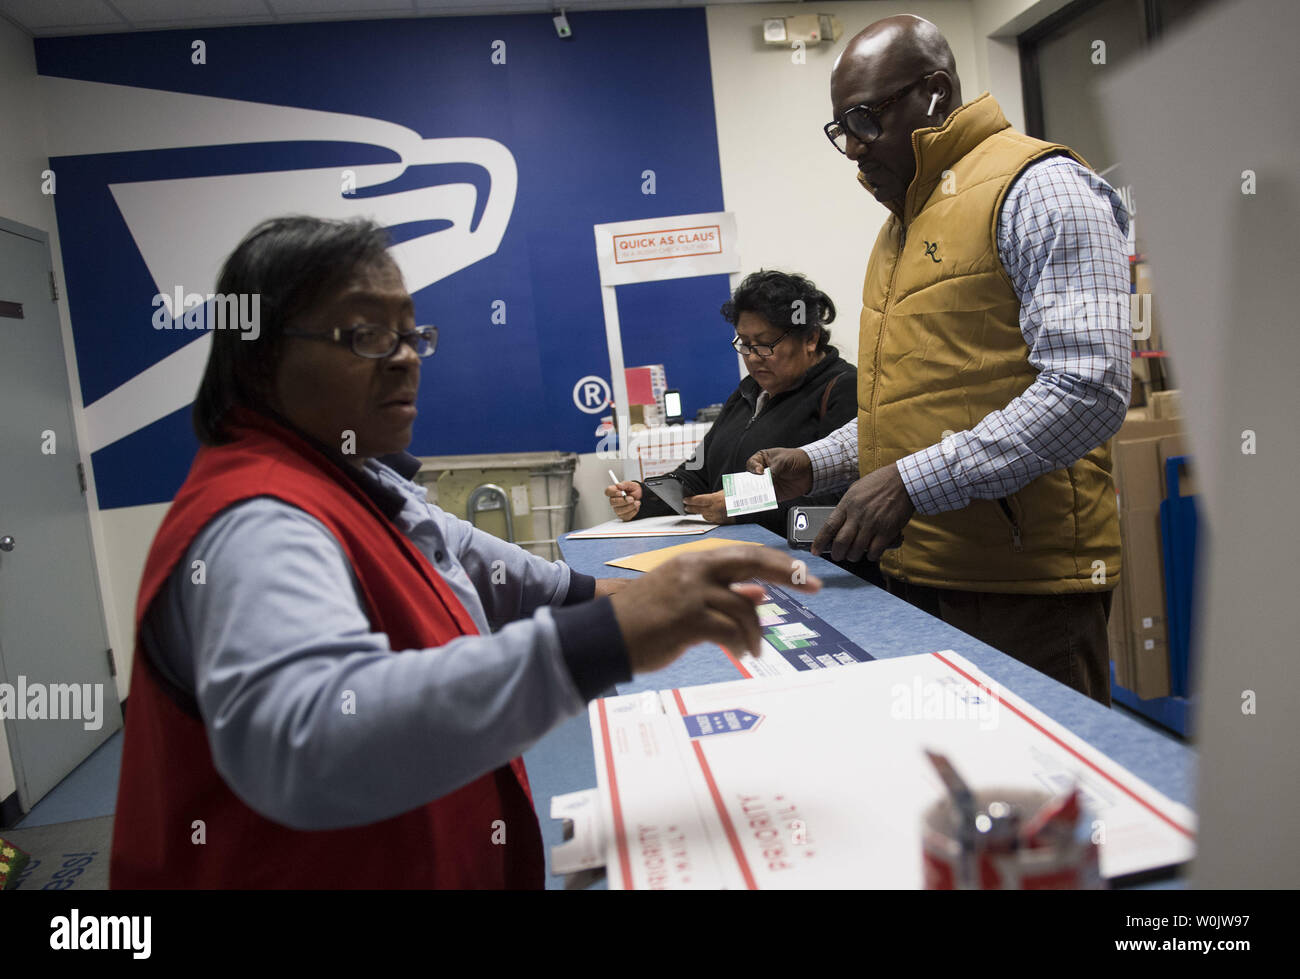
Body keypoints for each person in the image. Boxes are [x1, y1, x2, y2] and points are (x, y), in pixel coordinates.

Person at [110, 215, 819, 889]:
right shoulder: (261, 519)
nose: (401, 360)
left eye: (409, 334)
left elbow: (507, 574)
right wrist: (609, 636)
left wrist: (659, 595)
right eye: (364, 335)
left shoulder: (358, 480)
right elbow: (318, 738)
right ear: (261, 355)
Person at [749, 15, 1130, 706]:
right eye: (842, 129)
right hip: (921, 576)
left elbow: (1088, 389)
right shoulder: (899, 231)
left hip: (1025, 590)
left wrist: (913, 484)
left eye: (864, 119)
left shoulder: (1041, 187)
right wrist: (817, 462)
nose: (853, 150)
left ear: (934, 92)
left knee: (1049, 801)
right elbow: (912, 411)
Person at [605, 270, 858, 538]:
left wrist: (741, 509)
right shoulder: (749, 391)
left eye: (764, 344)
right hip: (740, 560)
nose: (752, 357)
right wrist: (646, 495)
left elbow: (837, 510)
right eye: (744, 344)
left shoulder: (844, 389)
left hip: (809, 570)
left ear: (811, 338)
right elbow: (698, 476)